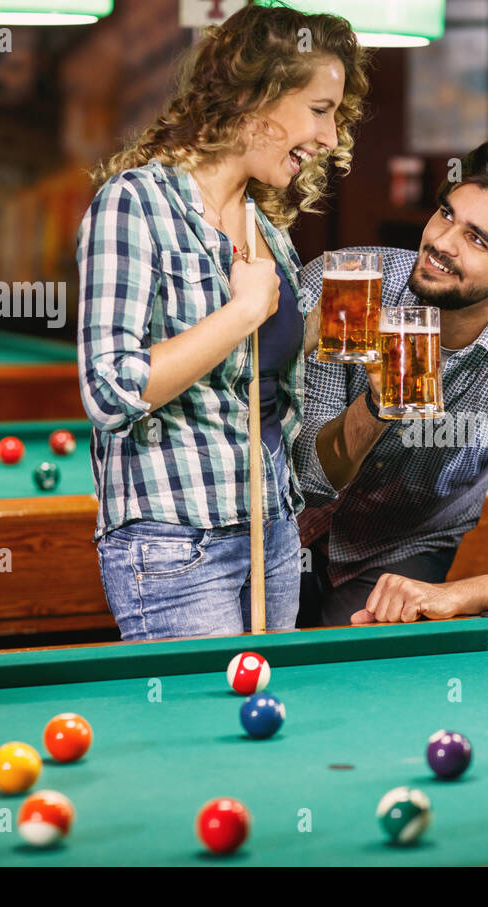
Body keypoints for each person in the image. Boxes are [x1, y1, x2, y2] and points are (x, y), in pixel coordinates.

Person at [76, 6, 369, 640]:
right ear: (255, 94)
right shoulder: (135, 205)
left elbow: (251, 378)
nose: (330, 138)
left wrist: (329, 325)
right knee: (196, 732)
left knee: (263, 733)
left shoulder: (269, 232)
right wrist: (242, 312)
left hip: (274, 531)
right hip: (177, 542)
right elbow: (108, 391)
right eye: (320, 110)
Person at [294, 140, 488, 626]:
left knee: (365, 678)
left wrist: (459, 596)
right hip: (275, 528)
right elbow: (309, 483)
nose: (442, 242)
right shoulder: (347, 286)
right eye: (446, 214)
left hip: (398, 547)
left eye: (478, 239)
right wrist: (379, 405)